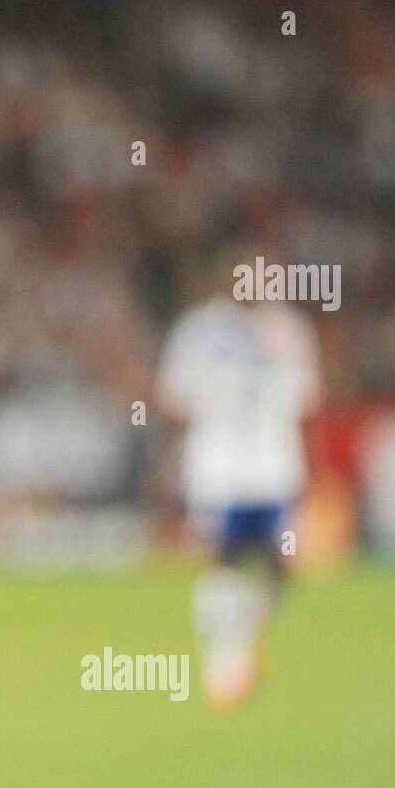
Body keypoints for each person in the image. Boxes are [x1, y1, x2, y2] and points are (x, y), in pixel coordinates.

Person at [156, 273, 322, 709]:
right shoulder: (274, 328)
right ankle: (227, 661)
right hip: (242, 469)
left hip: (251, 469)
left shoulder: (213, 329)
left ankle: (237, 648)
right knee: (237, 563)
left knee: (262, 567)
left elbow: (173, 399)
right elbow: (309, 401)